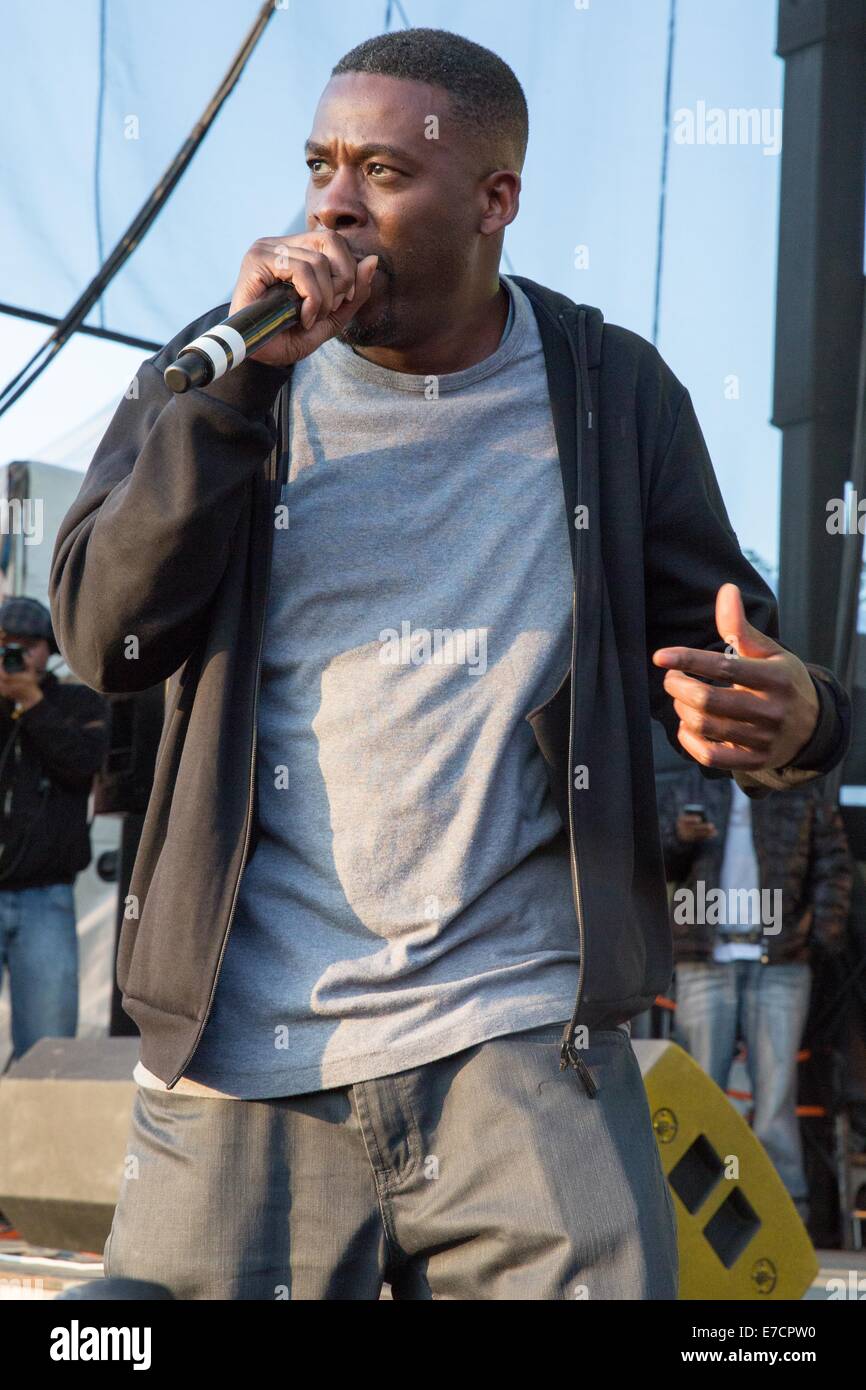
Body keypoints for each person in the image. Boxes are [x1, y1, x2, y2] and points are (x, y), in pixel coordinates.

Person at [50, 29, 850, 1300]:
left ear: (493, 202)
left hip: (518, 1047)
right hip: (245, 1054)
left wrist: (791, 711)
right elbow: (106, 634)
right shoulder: (217, 372)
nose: (331, 199)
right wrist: (231, 400)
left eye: (380, 168)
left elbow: (729, 644)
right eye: (318, 162)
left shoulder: (612, 393)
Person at [657, 772, 852, 1224]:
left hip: (779, 960)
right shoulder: (690, 788)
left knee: (776, 1096)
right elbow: (653, 863)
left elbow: (833, 865)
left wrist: (818, 938)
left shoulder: (798, 791)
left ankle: (785, 1218)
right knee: (702, 1092)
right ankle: (690, 1216)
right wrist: (677, 838)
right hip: (707, 957)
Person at [0, 596, 109, 1065]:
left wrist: (32, 702)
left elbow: (82, 764)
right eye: (6, 645)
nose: (18, 656)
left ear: (50, 651)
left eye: (29, 646)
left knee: (49, 1052)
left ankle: (37, 1140)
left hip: (47, 895)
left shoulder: (76, 701)